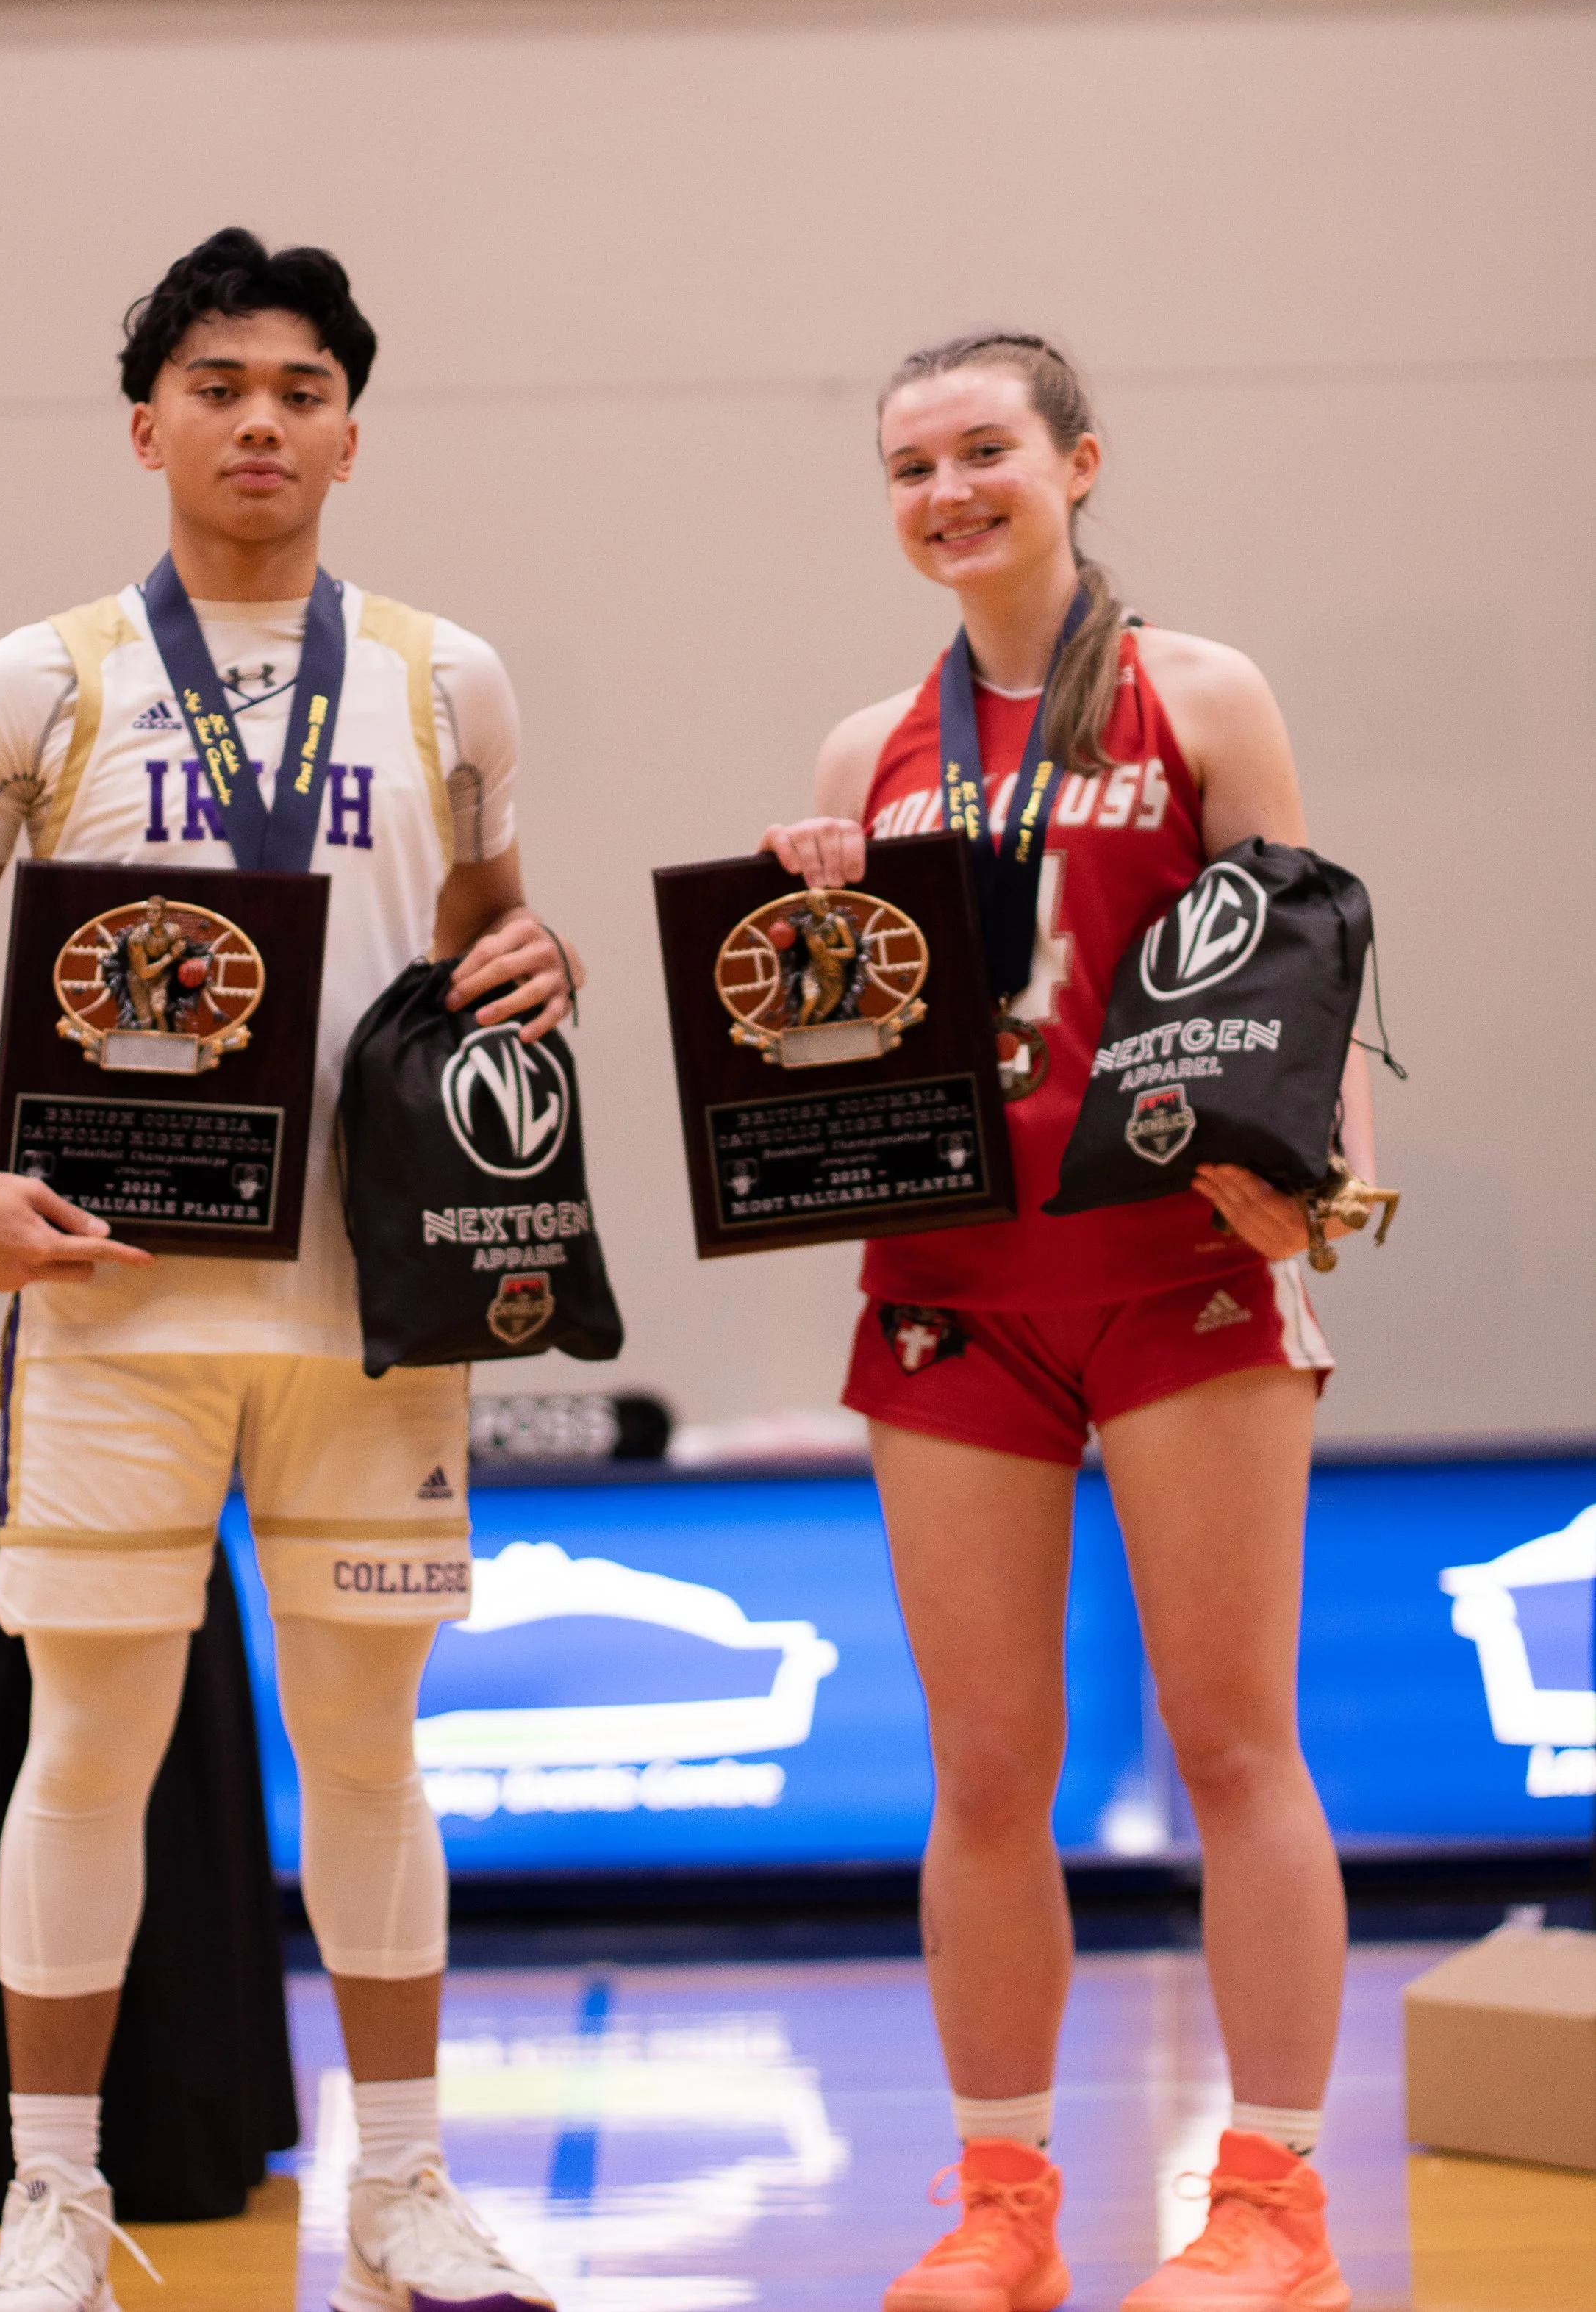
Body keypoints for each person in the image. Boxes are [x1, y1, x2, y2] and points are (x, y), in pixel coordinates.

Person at [0, 229, 573, 2312]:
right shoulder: (40, 677)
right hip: (114, 1301)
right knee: (88, 1743)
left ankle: (402, 2187)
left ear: (351, 432)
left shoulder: (445, 676)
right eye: (220, 383)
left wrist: (537, 959)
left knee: (371, 1747)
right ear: (145, 424)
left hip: (376, 1304)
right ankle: (52, 2204)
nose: (262, 418)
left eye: (302, 388)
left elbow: (487, 947)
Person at [762, 331, 1375, 2312]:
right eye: (908, 465)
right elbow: (828, 1028)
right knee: (984, 1765)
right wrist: (804, 929)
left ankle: (1272, 2204)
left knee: (1232, 1739)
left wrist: (1326, 1188)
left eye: (983, 449)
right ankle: (1002, 2199)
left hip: (1179, 1271)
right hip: (953, 1298)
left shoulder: (1202, 691)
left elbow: (1312, 959)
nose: (946, 491)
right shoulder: (867, 747)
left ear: (1076, 461)